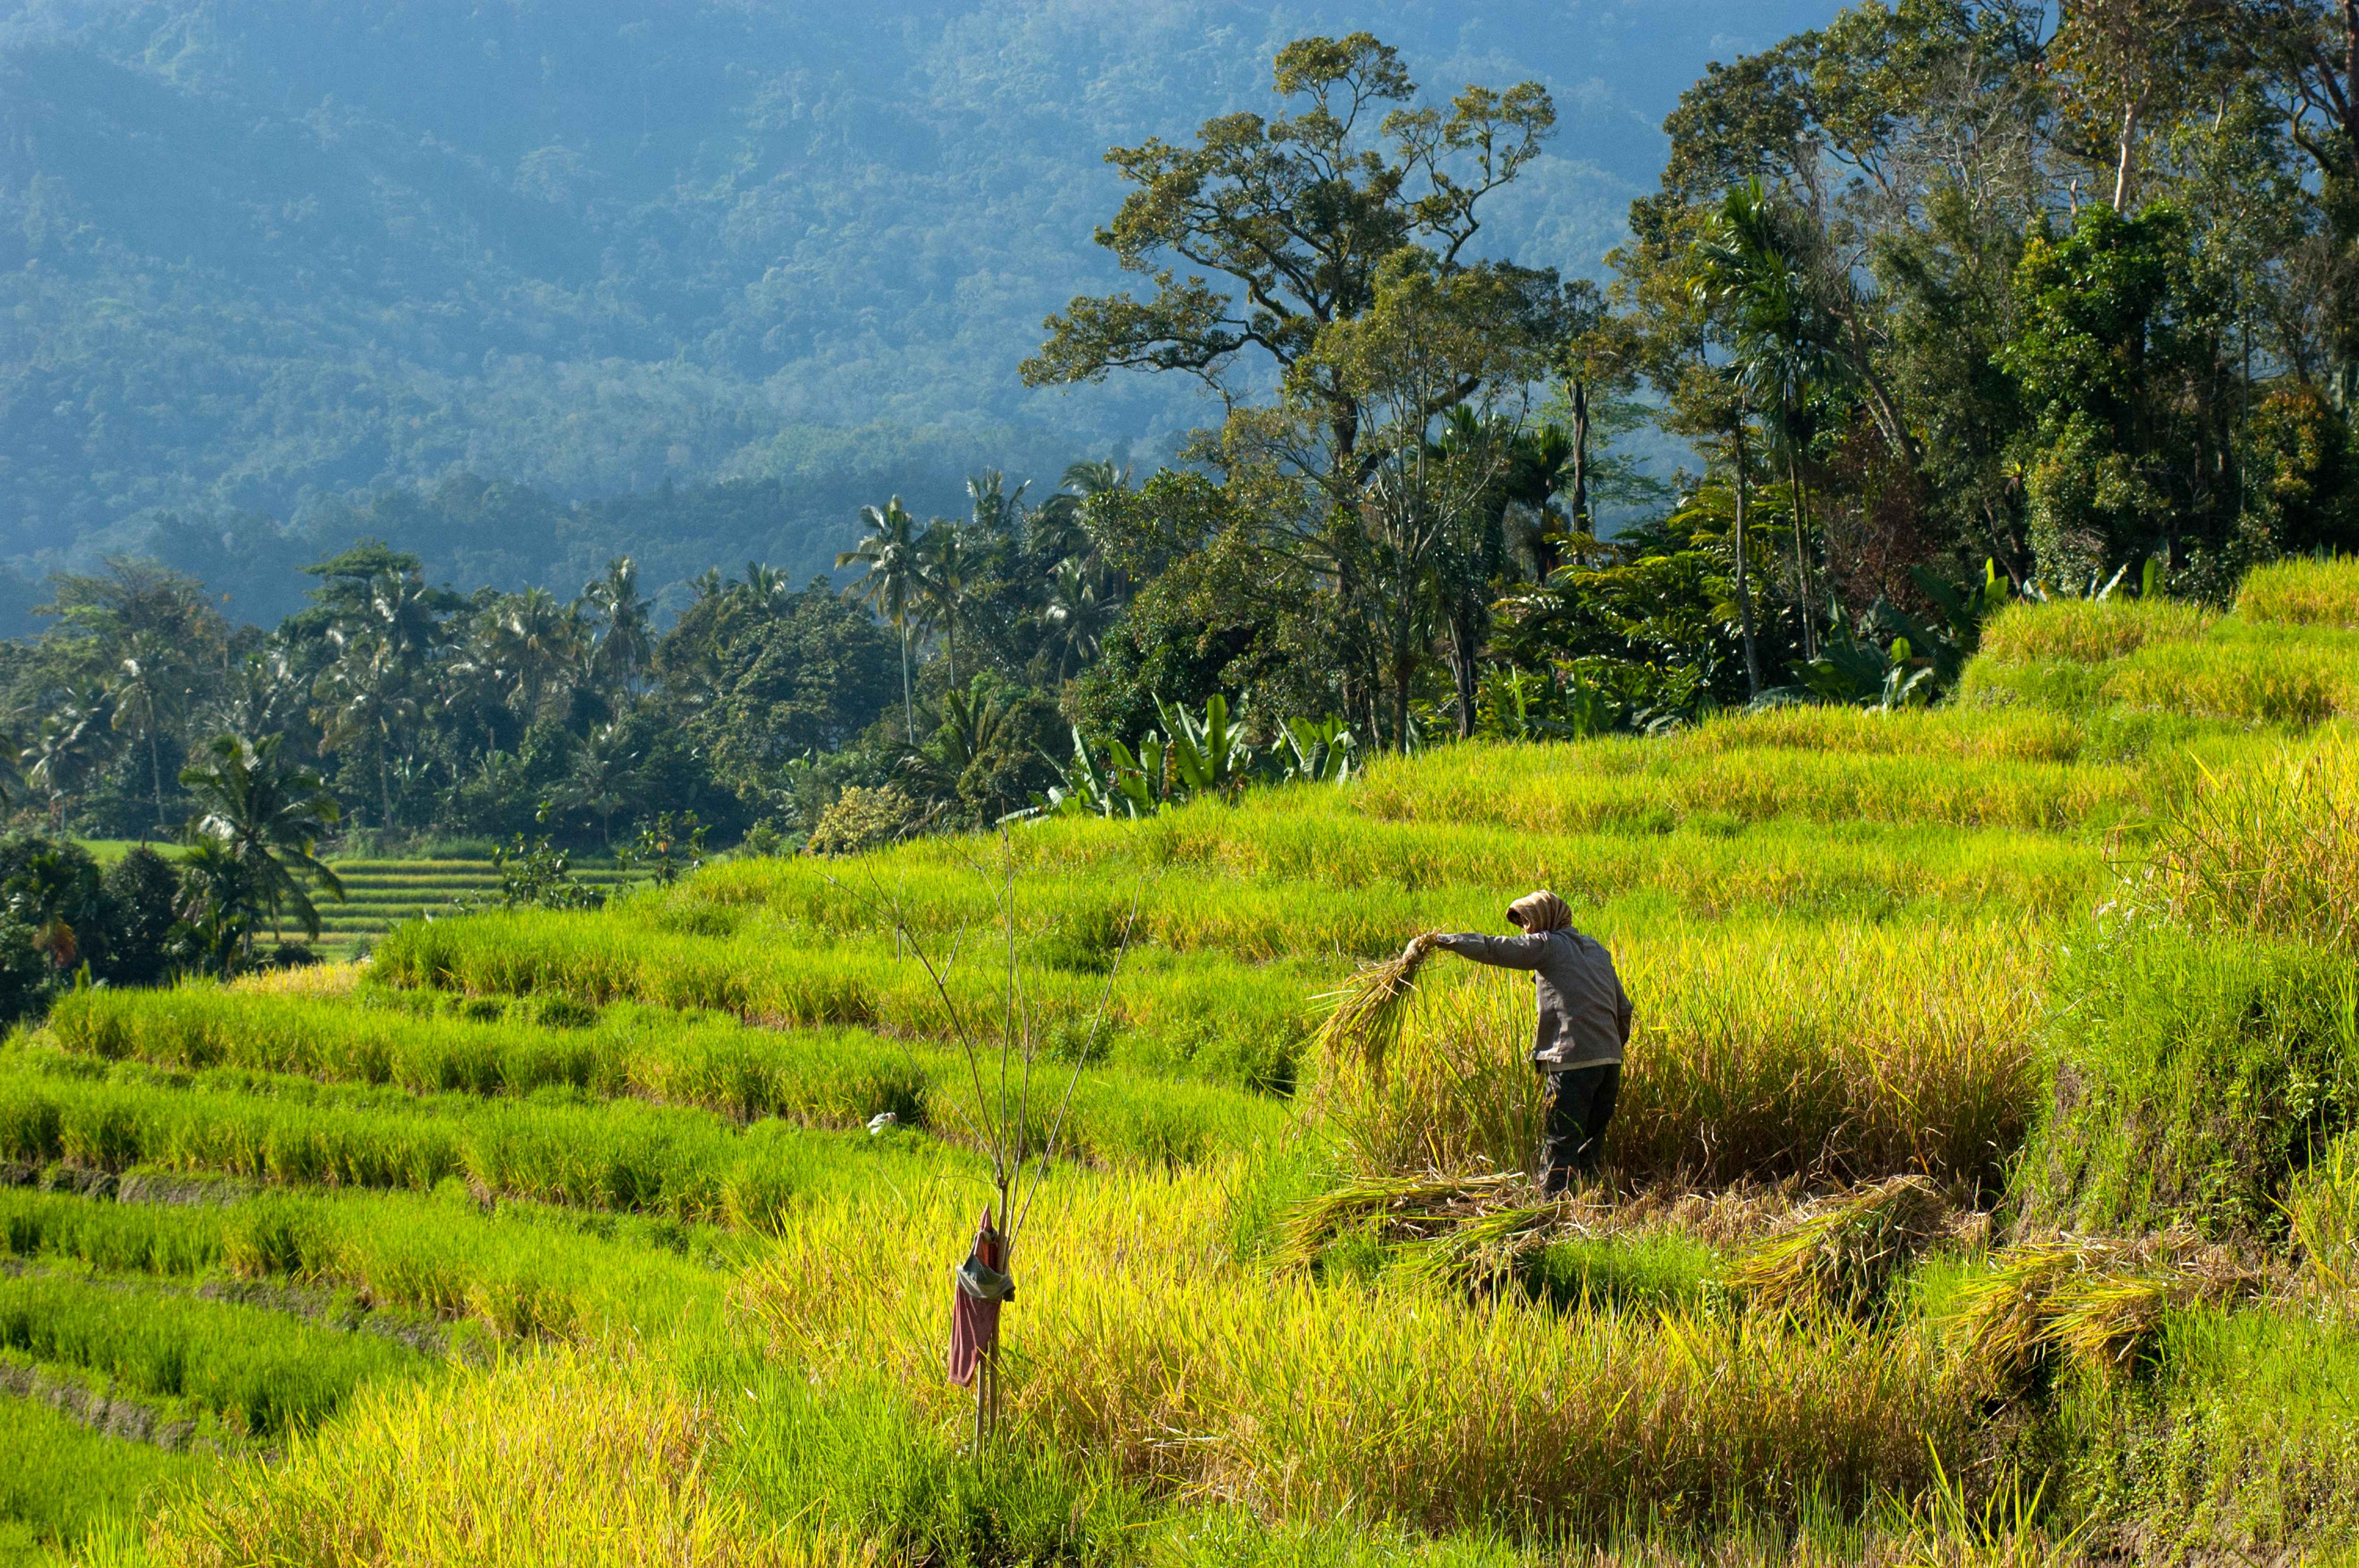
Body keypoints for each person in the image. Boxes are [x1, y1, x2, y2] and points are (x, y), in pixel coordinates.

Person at [1419, 890, 1633, 1195]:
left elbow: (1495, 949)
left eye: (1527, 923)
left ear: (1545, 919)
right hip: (1610, 1063)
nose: (1526, 932)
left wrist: (1443, 941)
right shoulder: (1597, 950)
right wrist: (1610, 1049)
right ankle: (1590, 1209)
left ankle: (1550, 1215)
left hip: (1571, 1063)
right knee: (1589, 1150)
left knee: (1560, 1146)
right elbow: (1624, 1009)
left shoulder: (1548, 944)